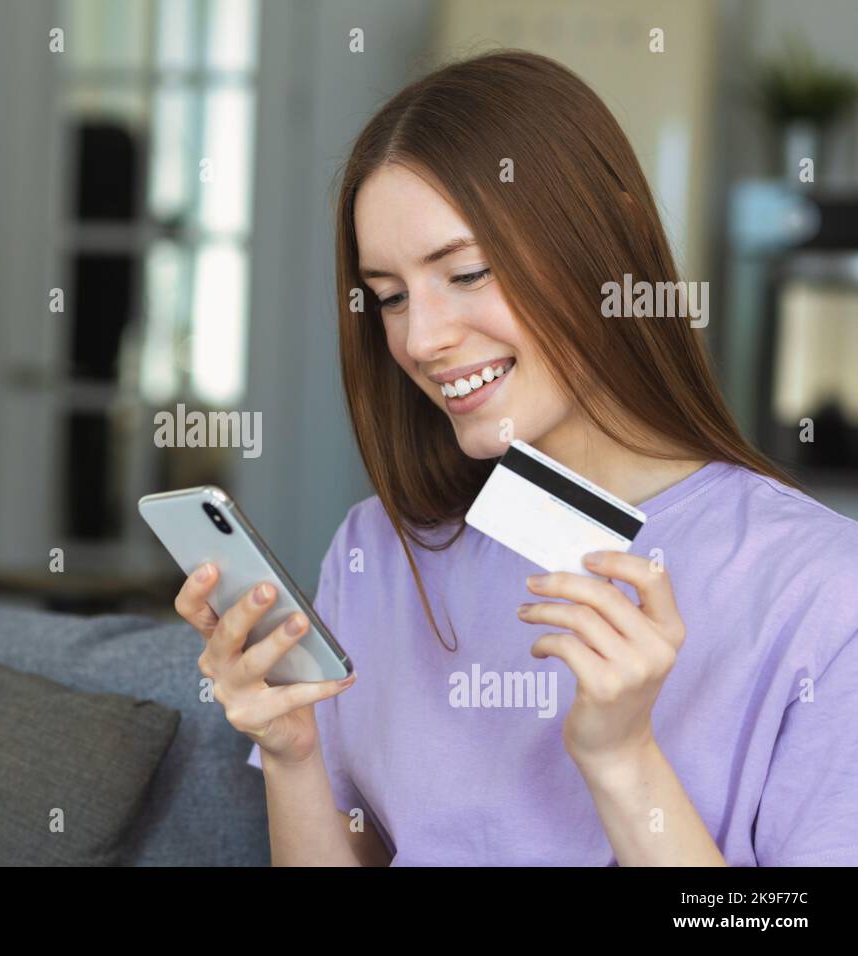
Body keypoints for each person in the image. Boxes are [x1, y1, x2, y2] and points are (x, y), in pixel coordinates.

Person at [173, 50, 858, 866]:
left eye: (465, 272)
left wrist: (623, 760)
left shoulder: (819, 589)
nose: (421, 339)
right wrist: (293, 754)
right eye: (389, 296)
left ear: (603, 246)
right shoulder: (378, 554)